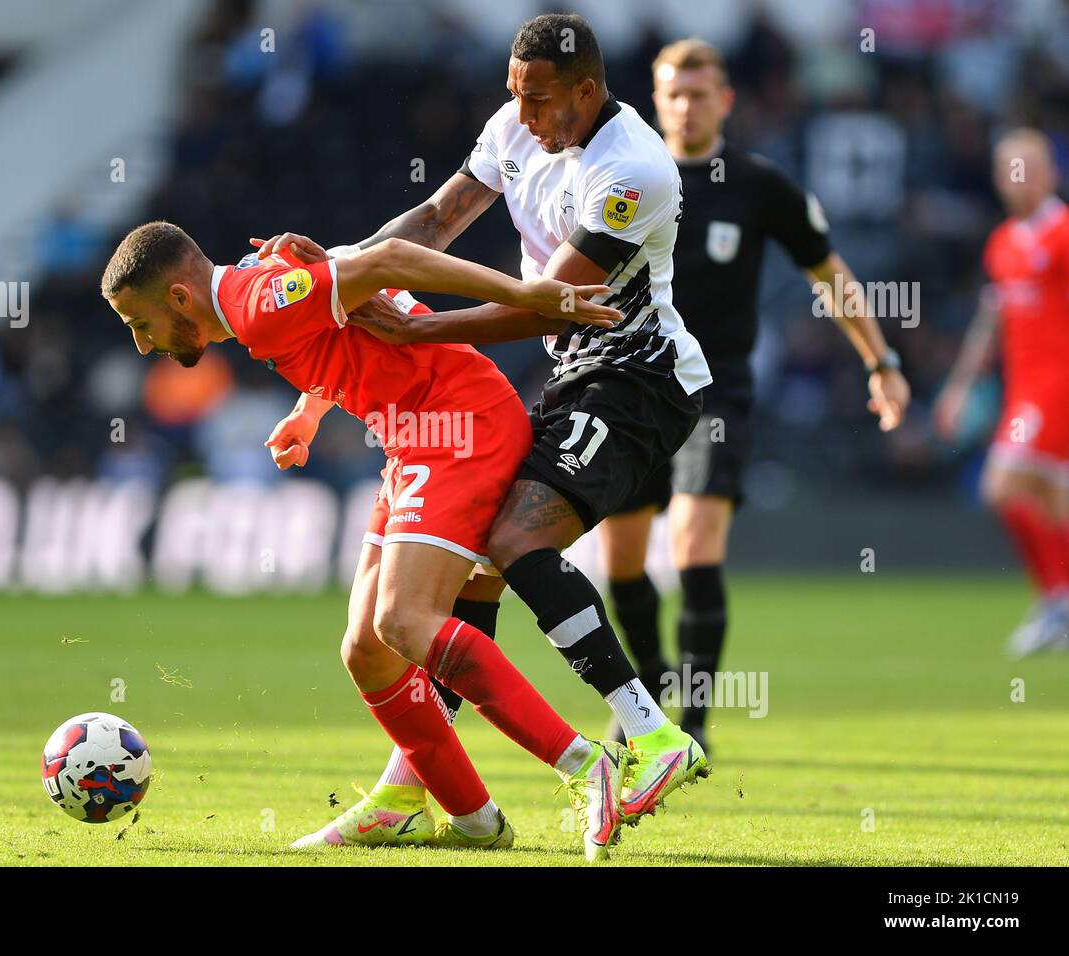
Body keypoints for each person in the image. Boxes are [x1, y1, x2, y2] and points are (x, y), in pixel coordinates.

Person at [278, 13, 712, 848]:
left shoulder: (633, 171)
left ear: (586, 91)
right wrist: (339, 275)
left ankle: (652, 734)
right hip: (578, 377)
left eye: (541, 100)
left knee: (512, 539)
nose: (525, 114)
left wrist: (416, 331)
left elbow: (539, 301)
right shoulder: (516, 122)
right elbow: (437, 221)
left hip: (639, 381)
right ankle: (409, 790)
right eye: (514, 95)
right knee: (475, 563)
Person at [101, 220, 635, 860]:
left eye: (140, 324)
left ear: (181, 299)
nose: (141, 344)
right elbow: (343, 317)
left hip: (459, 424)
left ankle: (584, 763)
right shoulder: (255, 300)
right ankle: (461, 815)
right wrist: (308, 410)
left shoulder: (256, 306)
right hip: (414, 435)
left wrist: (535, 297)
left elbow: (389, 260)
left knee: (405, 620)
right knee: (367, 650)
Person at [597, 38, 911, 753]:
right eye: (674, 93)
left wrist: (881, 361)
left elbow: (829, 273)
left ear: (725, 101)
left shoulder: (760, 185)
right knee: (622, 561)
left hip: (715, 392)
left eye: (700, 93)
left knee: (695, 545)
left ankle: (697, 725)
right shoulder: (622, 180)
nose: (686, 106)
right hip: (631, 388)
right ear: (656, 100)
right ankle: (647, 701)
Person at [936, 128, 1069, 657]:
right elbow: (991, 323)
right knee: (1051, 504)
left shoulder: (1062, 233)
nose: (1018, 179)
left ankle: (1057, 602)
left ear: (1050, 172)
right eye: (1008, 169)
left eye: (1028, 167)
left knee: (1000, 487)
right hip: (1023, 390)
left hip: (1056, 387)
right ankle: (1058, 602)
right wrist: (959, 387)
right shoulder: (1003, 243)